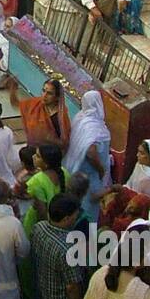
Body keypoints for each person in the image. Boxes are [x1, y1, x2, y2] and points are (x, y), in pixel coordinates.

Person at [62, 91, 112, 222]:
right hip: (89, 175)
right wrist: (101, 169)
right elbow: (91, 151)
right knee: (87, 211)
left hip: (77, 170)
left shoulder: (80, 118)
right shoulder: (94, 126)